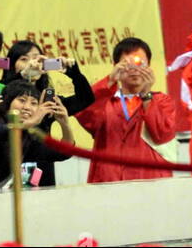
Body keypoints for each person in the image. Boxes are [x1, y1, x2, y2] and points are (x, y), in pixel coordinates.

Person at [74, 37, 177, 184]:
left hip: (150, 181)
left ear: (149, 66)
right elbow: (84, 113)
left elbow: (162, 136)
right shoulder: (105, 101)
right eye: (127, 64)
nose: (135, 70)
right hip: (109, 180)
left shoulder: (161, 101)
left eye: (140, 63)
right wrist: (110, 80)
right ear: (116, 66)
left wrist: (146, 96)